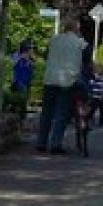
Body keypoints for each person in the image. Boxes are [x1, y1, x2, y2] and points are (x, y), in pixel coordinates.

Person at [37, 21, 88, 154]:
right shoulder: (79, 43)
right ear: (76, 29)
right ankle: (55, 144)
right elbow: (85, 61)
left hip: (50, 79)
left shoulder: (54, 40)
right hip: (67, 82)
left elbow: (46, 55)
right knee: (61, 113)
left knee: (46, 113)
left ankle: (41, 142)